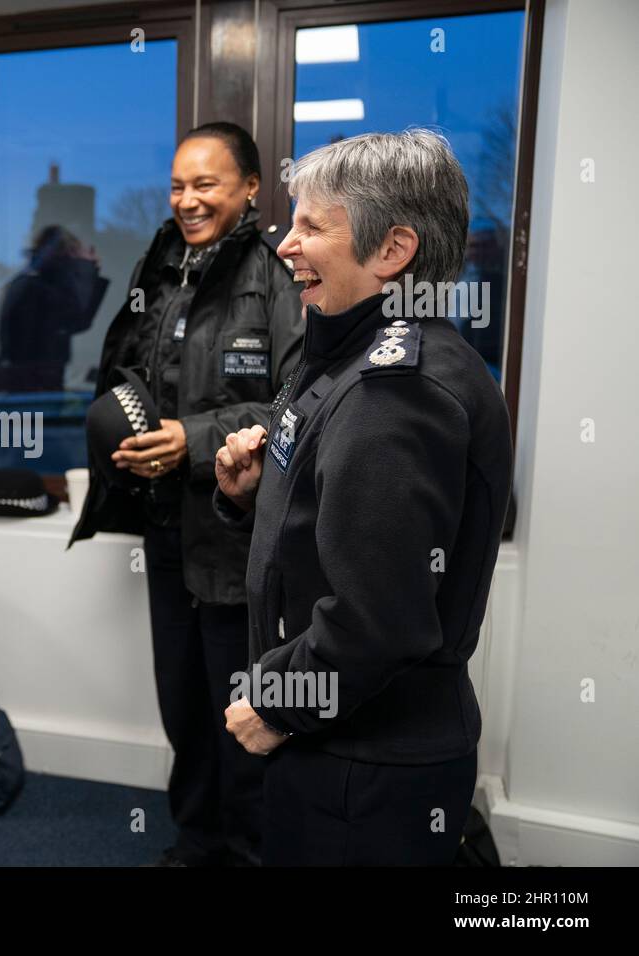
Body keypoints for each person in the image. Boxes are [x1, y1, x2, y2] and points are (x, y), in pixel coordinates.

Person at [214, 129, 513, 865]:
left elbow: (379, 618)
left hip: (364, 761)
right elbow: (346, 529)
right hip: (343, 736)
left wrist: (277, 702)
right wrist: (256, 496)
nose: (286, 245)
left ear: (393, 251)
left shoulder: (396, 391)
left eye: (312, 226)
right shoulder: (347, 356)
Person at [70, 122, 304, 866]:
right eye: (177, 184)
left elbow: (299, 405)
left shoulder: (277, 275)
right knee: (183, 707)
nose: (187, 199)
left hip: (238, 537)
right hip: (165, 533)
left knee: (240, 711)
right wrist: (127, 433)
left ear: (251, 189)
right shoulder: (160, 270)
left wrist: (192, 439)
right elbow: (126, 374)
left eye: (206, 183)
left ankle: (249, 852)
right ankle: (195, 843)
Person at [0, 225, 108, 393]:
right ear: (67, 254)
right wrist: (86, 269)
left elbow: (77, 319)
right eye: (77, 253)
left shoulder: (34, 282)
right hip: (34, 388)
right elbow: (77, 318)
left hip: (33, 384)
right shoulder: (36, 287)